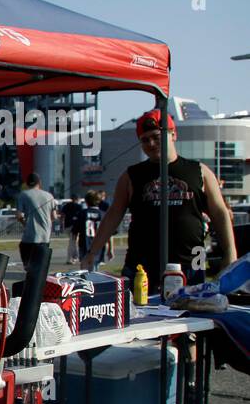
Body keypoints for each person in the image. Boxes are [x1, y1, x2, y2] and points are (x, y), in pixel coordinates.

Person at [84, 110, 238, 286]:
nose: (151, 143)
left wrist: (230, 253)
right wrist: (92, 253)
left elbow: (220, 214)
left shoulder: (199, 171)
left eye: (157, 137)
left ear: (173, 135)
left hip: (191, 266)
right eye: (145, 139)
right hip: (142, 269)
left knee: (192, 312)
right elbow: (113, 215)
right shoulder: (131, 176)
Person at [15, 172, 56, 272]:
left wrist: (25, 223)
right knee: (41, 267)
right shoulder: (49, 196)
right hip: (45, 237)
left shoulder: (23, 195)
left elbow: (19, 215)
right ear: (39, 182)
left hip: (30, 237)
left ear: (27, 183)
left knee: (29, 266)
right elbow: (54, 216)